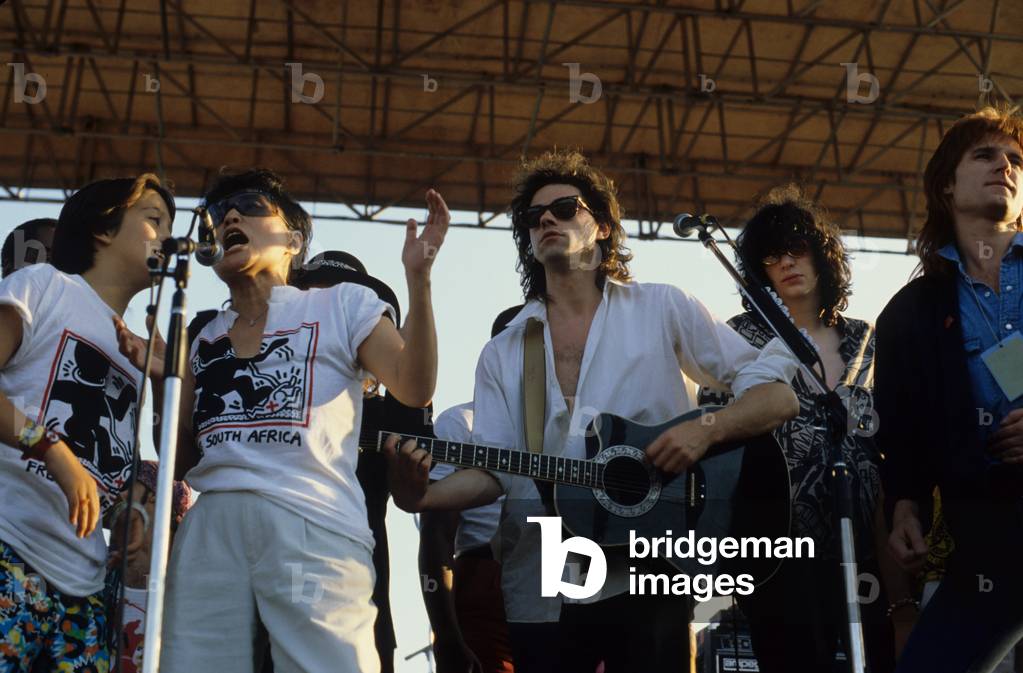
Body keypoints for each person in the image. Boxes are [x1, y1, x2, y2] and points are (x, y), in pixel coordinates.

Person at [388, 149, 800, 673]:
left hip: (654, 572)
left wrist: (706, 428)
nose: (546, 220)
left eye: (564, 207)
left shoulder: (662, 307)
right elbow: (496, 472)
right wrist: (419, 495)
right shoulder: (504, 351)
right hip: (541, 582)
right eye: (534, 217)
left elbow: (777, 395)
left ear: (602, 226)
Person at [114, 168, 448, 673]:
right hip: (213, 527)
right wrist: (169, 381)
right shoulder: (201, 332)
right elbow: (179, 458)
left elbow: (414, 385)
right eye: (218, 213)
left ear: (293, 239)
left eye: (250, 205)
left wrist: (418, 283)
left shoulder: (342, 303)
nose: (229, 215)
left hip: (311, 522)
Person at [698, 185, 903, 671]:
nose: (787, 262)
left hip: (866, 544)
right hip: (778, 548)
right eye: (771, 256)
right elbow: (715, 434)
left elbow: (892, 431)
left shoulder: (864, 337)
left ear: (822, 256)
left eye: (797, 248)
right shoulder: (739, 335)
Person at [0, 174, 173, 671]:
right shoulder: (43, 285)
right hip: (12, 548)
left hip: (85, 588)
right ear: (103, 228)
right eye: (153, 219)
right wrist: (50, 448)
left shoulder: (139, 353)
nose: (167, 237)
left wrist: (128, 516)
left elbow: (108, 466)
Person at [875, 106, 1023, 672]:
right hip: (986, 537)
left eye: (1015, 160)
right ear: (944, 186)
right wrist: (904, 508)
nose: (1004, 167)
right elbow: (904, 438)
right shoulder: (910, 313)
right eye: (984, 155)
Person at [291, 249, 435, 673]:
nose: (331, 308)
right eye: (313, 296)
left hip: (357, 587)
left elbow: (411, 498)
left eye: (343, 297)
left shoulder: (399, 392)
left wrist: (406, 475)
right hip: (266, 576)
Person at [419, 305, 523, 673]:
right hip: (485, 576)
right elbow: (436, 533)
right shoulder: (462, 422)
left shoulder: (574, 423)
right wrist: (446, 635)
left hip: (562, 577)